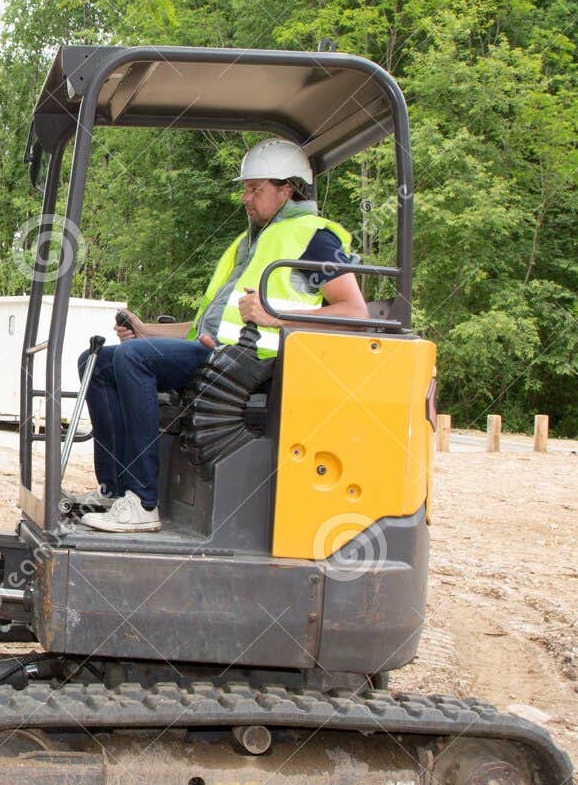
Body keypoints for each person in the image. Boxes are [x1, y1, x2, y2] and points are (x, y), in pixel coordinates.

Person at [75, 138, 369, 533]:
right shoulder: (249, 243)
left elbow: (355, 312)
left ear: (288, 188)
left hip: (256, 364)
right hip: (216, 354)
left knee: (133, 360)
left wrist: (275, 316)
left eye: (255, 188)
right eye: (245, 188)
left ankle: (142, 502)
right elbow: (204, 328)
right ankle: (113, 488)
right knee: (97, 361)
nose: (245, 198)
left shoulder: (314, 238)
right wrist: (145, 330)